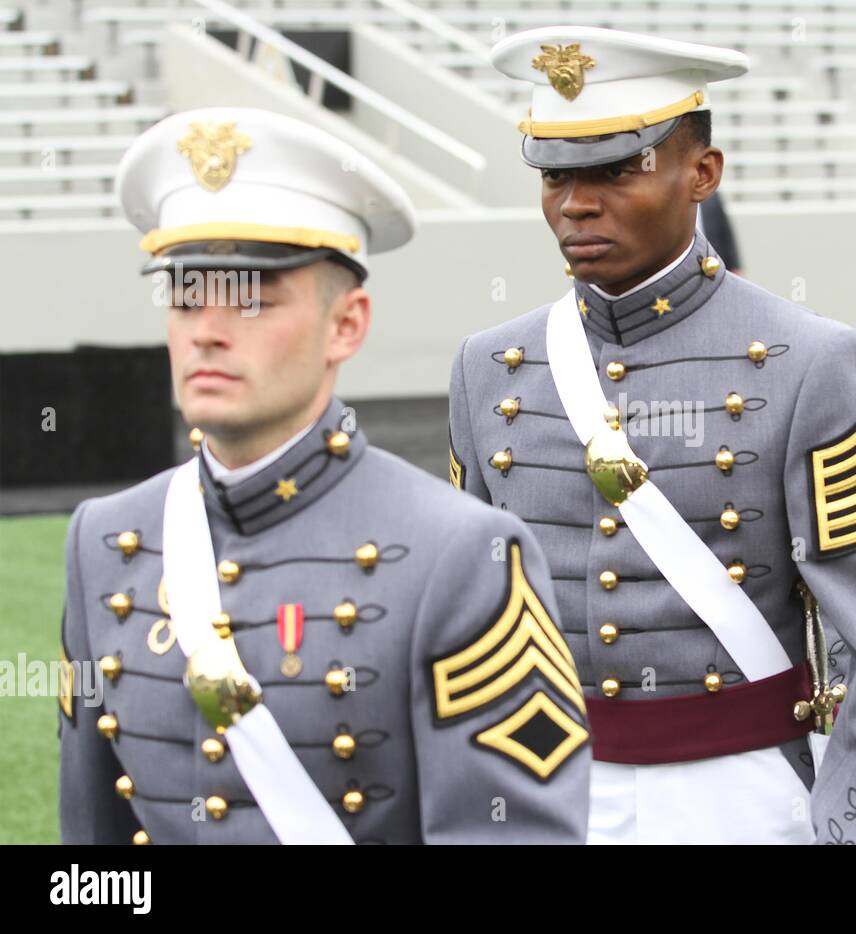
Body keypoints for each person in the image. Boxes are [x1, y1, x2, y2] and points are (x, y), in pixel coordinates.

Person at [448, 26, 856, 844]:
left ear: (702, 175)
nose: (576, 203)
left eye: (615, 170)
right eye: (556, 175)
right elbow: (473, 632)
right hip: (545, 798)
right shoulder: (487, 367)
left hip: (744, 796)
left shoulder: (816, 362)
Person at [58, 107, 590, 844]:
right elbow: (91, 847)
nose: (207, 328)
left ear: (346, 325)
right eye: (185, 295)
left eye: (250, 298)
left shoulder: (465, 554)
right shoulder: (105, 539)